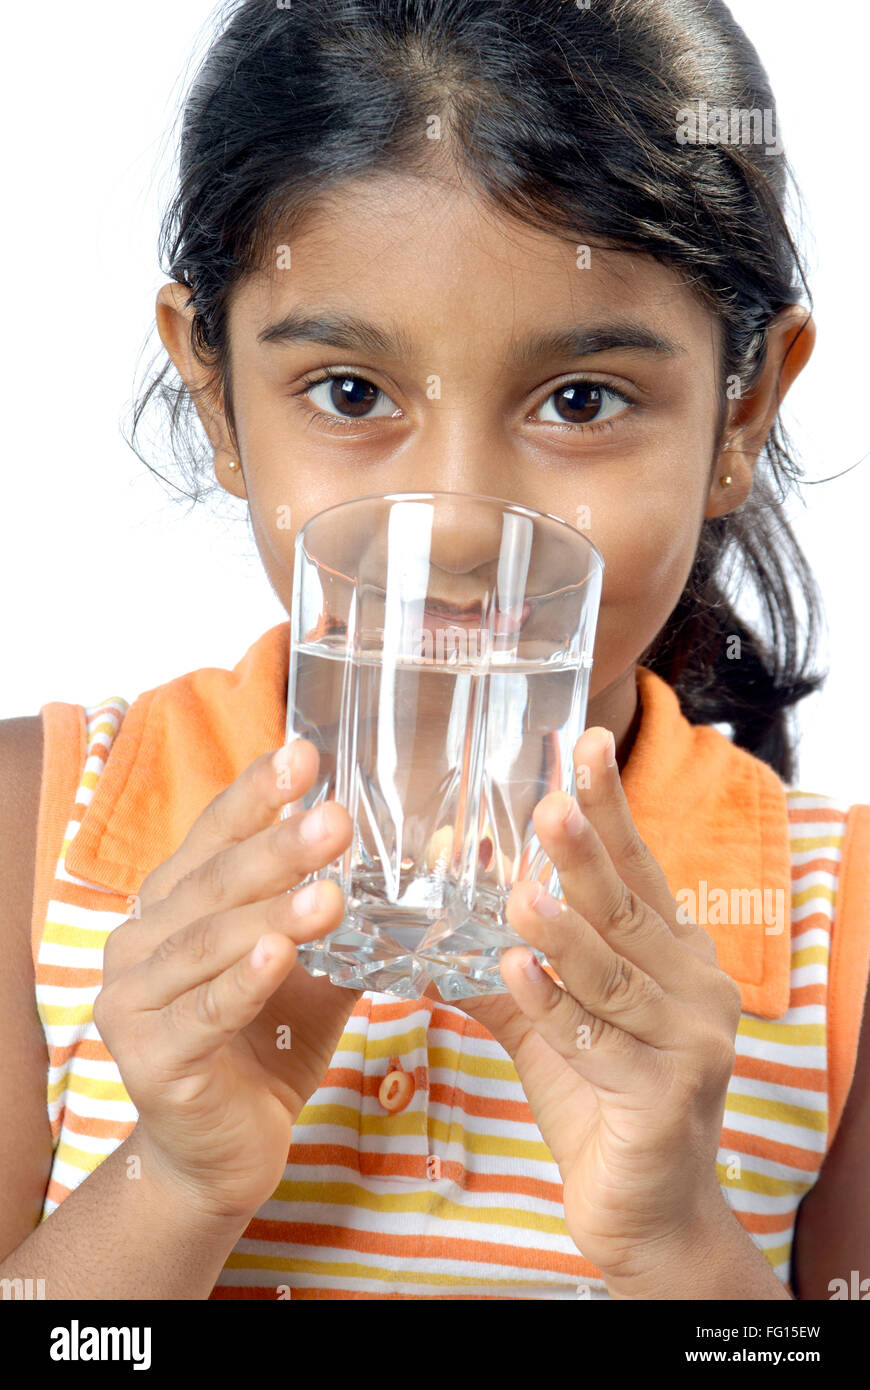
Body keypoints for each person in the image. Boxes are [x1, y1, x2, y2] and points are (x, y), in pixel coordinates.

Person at [1, 0, 867, 1301]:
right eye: (350, 391)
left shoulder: (834, 934)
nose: (460, 523)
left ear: (739, 409)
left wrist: (679, 1240)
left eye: (581, 399)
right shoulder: (37, 832)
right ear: (215, 393)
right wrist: (171, 1181)